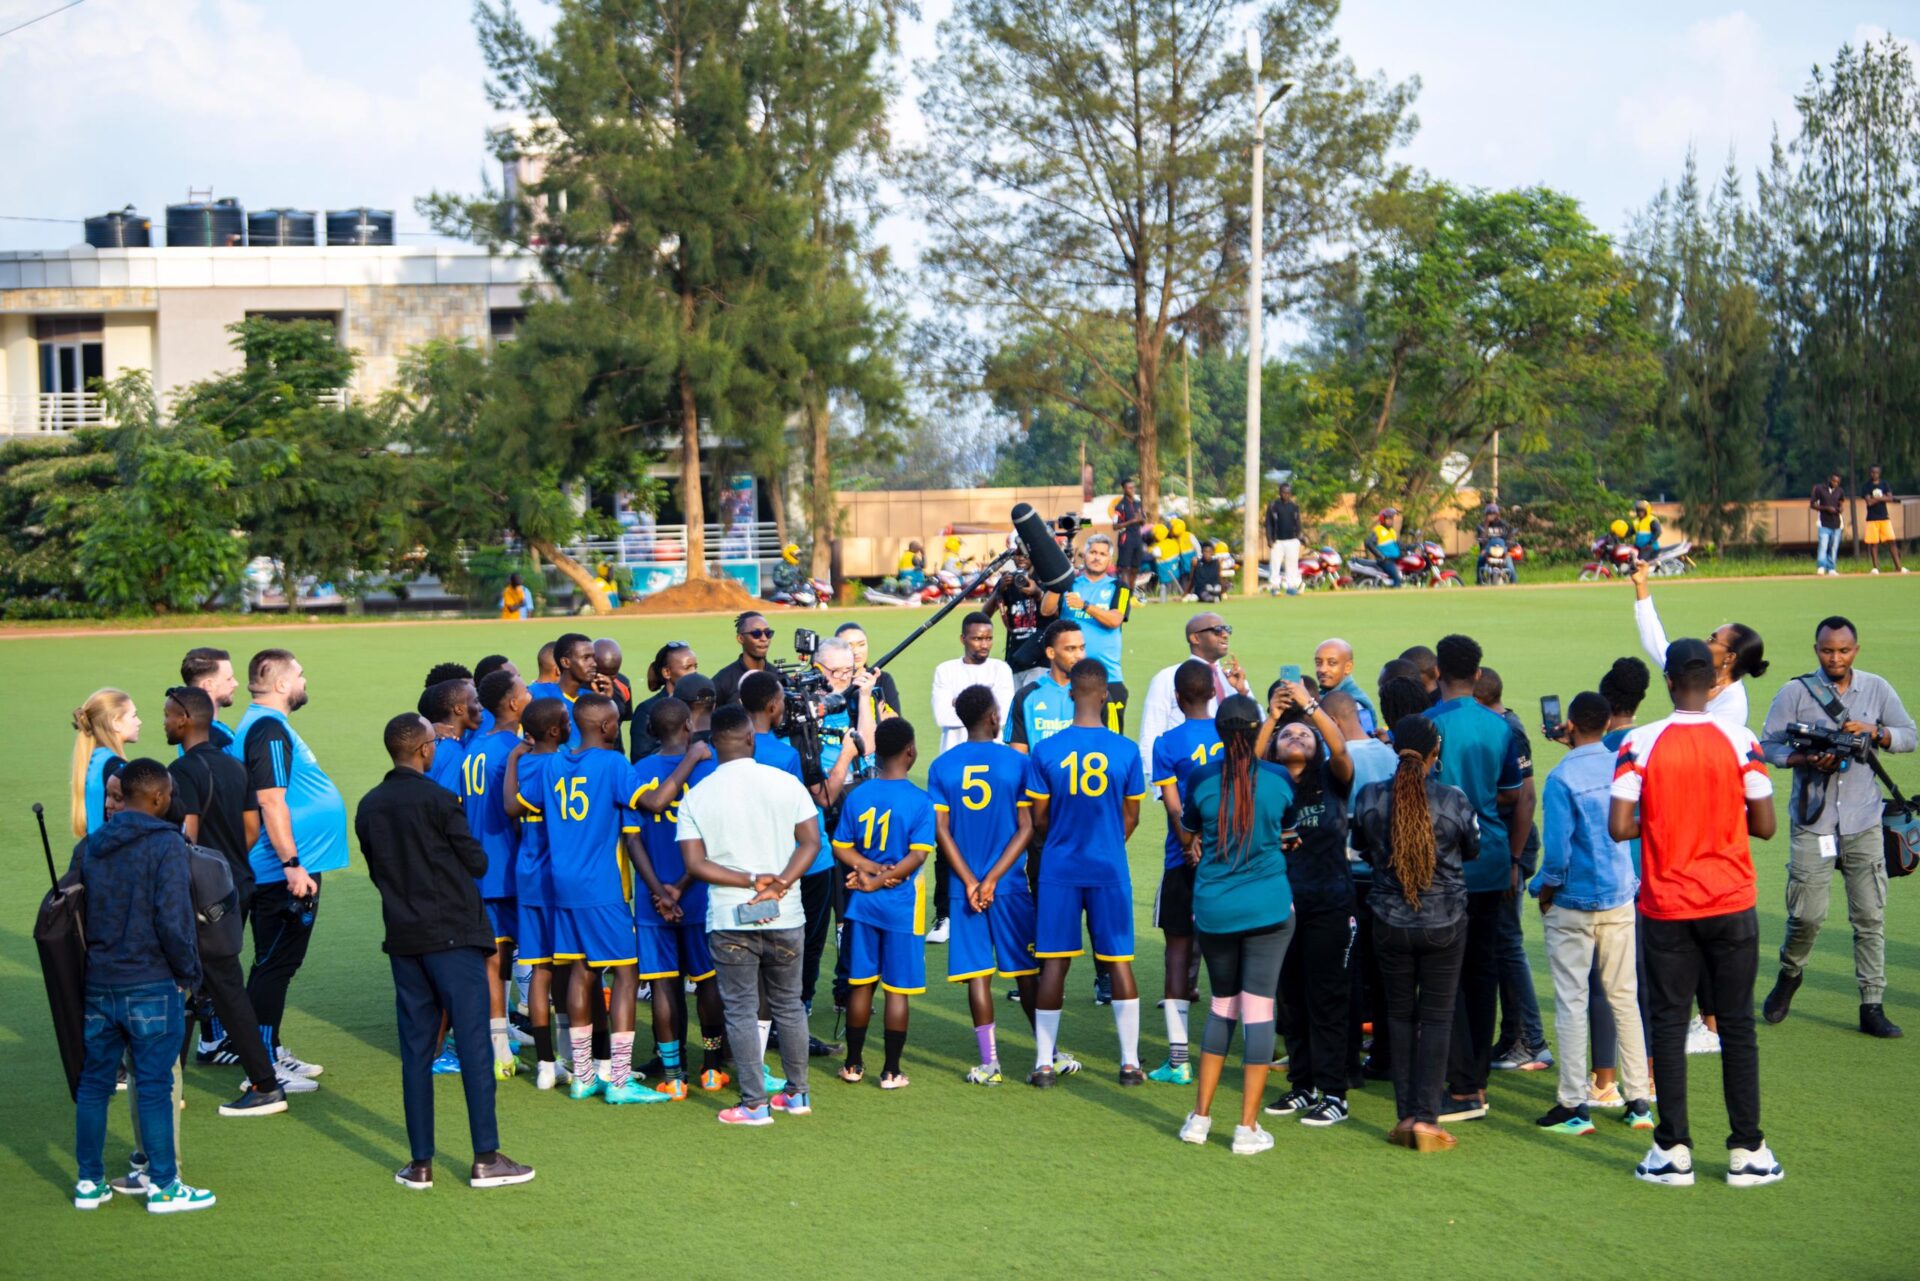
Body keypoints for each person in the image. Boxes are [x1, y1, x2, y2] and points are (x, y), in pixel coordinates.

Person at [1610, 637, 1781, 1188]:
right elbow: (1765, 824)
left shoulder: (1640, 741)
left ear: (1666, 681)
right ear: (1714, 680)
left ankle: (1673, 1149)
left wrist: (1660, 825)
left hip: (1666, 904)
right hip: (1731, 900)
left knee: (1666, 1024)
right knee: (1736, 1026)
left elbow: (1619, 827)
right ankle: (1747, 1150)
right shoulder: (1741, 740)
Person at [358, 715, 535, 1191]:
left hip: (404, 939)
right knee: (475, 1047)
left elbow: (379, 870)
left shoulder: (369, 805)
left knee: (416, 1052)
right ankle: (485, 1158)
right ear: (422, 750)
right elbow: (476, 860)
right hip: (454, 938)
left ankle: (419, 1164)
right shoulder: (440, 800)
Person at [1759, 616, 1915, 1038]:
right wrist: (1804, 759)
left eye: (1843, 650)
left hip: (1864, 821)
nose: (1835, 657)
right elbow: (1766, 745)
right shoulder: (1794, 693)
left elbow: (1909, 735)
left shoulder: (1877, 688)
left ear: (1855, 650)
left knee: (1870, 917)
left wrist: (1875, 732)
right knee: (1807, 916)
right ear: (1816, 650)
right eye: (1828, 650)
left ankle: (1872, 1005)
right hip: (1814, 822)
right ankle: (1790, 975)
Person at [70, 758, 214, 1213]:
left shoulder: (90, 846)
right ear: (157, 797)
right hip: (152, 983)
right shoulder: (167, 845)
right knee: (153, 1085)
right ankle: (165, 1186)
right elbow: (174, 921)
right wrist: (189, 974)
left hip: (99, 983)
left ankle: (89, 1183)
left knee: (93, 1085)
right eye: (168, 794)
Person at [676, 704, 823, 1125]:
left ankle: (754, 1105)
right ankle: (797, 1096)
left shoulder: (697, 795)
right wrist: (778, 883)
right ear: (750, 739)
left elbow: (695, 864)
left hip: (729, 919)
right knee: (789, 1005)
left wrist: (751, 880)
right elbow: (810, 843)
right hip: (786, 913)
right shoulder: (785, 782)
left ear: (712, 744)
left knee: (740, 1010)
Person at [505, 693, 655, 1104]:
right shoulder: (613, 764)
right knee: (626, 972)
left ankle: (583, 1075)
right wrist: (693, 759)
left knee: (581, 971)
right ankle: (620, 1080)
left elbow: (517, 804)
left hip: (559, 884)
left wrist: (517, 761)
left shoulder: (553, 764)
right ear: (608, 727)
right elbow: (655, 801)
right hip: (599, 887)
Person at [1173, 696, 1297, 1155]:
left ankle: (1200, 1119)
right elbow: (1286, 836)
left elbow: (1189, 832)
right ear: (1258, 727)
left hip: (1215, 909)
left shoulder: (1202, 778)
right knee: (1259, 1009)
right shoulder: (1279, 779)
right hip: (1268, 908)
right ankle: (1247, 1127)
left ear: (1220, 733)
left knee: (1223, 1005)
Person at [1352, 715, 1478, 1152]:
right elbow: (1472, 847)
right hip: (1444, 923)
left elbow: (1362, 845)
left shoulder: (1370, 797)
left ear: (1394, 748)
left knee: (1400, 1018)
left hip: (1390, 922)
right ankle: (1426, 1117)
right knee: (1437, 1019)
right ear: (1434, 754)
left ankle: (1407, 1115)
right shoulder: (1452, 798)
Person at [1530, 692, 1653, 1137]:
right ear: (1608, 722)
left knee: (1572, 1002)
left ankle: (1574, 1105)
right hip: (1621, 897)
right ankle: (1639, 1101)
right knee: (1625, 998)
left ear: (1568, 724)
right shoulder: (1623, 766)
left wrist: (1543, 889)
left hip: (1573, 903)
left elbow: (1559, 854)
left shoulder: (1562, 778)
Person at [1024, 659, 1148, 1087]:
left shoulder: (1046, 751)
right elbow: (1131, 816)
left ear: (1071, 693)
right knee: (1118, 961)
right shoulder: (1126, 750)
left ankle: (1043, 1064)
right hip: (1108, 866)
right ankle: (1130, 1064)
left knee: (1054, 963)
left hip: (1059, 867)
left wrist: (1060, 837)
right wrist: (1109, 841)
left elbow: (1039, 818)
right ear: (1106, 695)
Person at [229, 649, 345, 1084]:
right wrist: (293, 863)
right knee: (275, 964)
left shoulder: (268, 726)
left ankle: (269, 1049)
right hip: (283, 872)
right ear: (280, 684)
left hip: (287, 867)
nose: (304, 679)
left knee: (275, 963)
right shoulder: (268, 729)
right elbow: (270, 799)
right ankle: (263, 1067)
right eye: (299, 673)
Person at [163, 687, 281, 1109]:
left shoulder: (183, 771)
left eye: (168, 716)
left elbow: (185, 837)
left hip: (199, 899)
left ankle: (265, 1085)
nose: (164, 723)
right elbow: (251, 830)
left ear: (185, 720)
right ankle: (167, 1083)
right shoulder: (234, 767)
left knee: (221, 989)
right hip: (235, 887)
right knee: (201, 986)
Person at [1425, 635, 1525, 1124]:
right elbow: (1513, 795)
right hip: (1489, 859)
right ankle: (1476, 1079)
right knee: (1482, 972)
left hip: (1444, 865)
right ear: (1479, 674)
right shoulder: (1500, 726)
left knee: (1448, 976)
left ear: (1438, 673)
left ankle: (1462, 1088)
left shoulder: (1428, 726)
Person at [1257, 681, 1356, 1126]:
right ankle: (1302, 1086)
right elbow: (1250, 758)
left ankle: (1335, 1092)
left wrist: (1309, 707)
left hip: (1331, 903)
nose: (1297, 737)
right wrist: (1274, 717)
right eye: (1288, 735)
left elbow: (1338, 746)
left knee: (1327, 998)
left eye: (1305, 735)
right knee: (1291, 998)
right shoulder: (1269, 783)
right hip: (1282, 906)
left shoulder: (1331, 779)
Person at [931, 685, 1038, 1085]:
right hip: (1008, 885)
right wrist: (993, 878)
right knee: (1027, 972)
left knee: (978, 975)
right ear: (994, 718)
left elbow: (942, 832)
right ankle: (1046, 1054)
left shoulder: (943, 766)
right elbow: (1027, 827)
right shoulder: (1017, 763)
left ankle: (990, 1064)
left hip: (964, 890)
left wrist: (973, 881)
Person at [624, 700, 723, 1098]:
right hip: (699, 892)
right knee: (707, 981)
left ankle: (674, 1076)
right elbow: (714, 841)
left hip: (653, 899)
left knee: (664, 985)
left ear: (649, 728)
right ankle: (713, 1069)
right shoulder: (709, 768)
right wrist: (682, 886)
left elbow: (631, 839)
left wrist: (659, 891)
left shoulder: (637, 772)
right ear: (687, 725)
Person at [831, 719, 937, 1087]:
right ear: (910, 752)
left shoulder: (859, 794)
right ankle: (891, 1070)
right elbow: (917, 857)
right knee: (896, 989)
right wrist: (880, 878)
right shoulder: (921, 800)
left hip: (861, 904)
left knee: (861, 983)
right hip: (902, 906)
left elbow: (841, 846)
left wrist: (866, 869)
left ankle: (853, 1065)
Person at [1145, 660, 1224, 1086]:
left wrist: (1188, 843)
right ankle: (1235, 1050)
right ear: (1213, 692)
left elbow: (1174, 805)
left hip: (1182, 862)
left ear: (1177, 697)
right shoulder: (1231, 738)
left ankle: (1178, 1060)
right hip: (1227, 861)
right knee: (1234, 953)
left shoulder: (1166, 742)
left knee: (1177, 952)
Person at [1474, 668, 1549, 1075]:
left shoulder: (1508, 729)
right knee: (1500, 944)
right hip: (1504, 847)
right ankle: (1514, 1035)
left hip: (1510, 849)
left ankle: (1531, 1041)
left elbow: (1526, 797)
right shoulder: (1505, 723)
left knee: (1507, 943)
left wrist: (1514, 862)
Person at [469, 670, 533, 1078]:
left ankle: (500, 1046)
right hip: (508, 870)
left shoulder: (476, 747)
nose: (529, 694)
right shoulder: (516, 751)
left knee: (499, 960)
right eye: (524, 690)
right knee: (504, 962)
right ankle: (505, 1053)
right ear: (512, 703)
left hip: (480, 869)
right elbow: (518, 814)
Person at [509, 698, 571, 1090]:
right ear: (554, 730)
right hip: (557, 877)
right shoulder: (559, 766)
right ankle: (568, 1058)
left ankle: (547, 1064)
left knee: (538, 971)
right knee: (565, 969)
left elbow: (512, 811)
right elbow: (512, 806)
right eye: (566, 720)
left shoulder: (525, 763)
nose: (570, 724)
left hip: (527, 873)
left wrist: (515, 760)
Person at [1630, 562, 1767, 733]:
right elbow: (1654, 642)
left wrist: (1695, 705)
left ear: (1730, 657)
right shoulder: (1694, 668)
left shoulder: (1733, 704)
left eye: (1712, 640)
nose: (1704, 642)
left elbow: (1703, 744)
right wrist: (1641, 585)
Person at [1136, 613, 1250, 773]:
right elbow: (1150, 736)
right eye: (1217, 630)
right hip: (1186, 780)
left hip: (1231, 777)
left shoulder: (1233, 678)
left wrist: (1243, 692)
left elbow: (1257, 725)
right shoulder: (1167, 678)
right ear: (1195, 638)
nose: (1225, 635)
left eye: (1226, 629)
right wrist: (1162, 790)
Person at [1045, 534, 1128, 731]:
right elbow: (1046, 611)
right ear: (1084, 555)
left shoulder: (1118, 587)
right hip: (1069, 677)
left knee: (1112, 740)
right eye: (1092, 552)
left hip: (1109, 677)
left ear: (1109, 559)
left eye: (1102, 554)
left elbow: (1114, 620)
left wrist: (1084, 606)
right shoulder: (1070, 584)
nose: (1097, 557)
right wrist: (1058, 580)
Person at [929, 612, 1015, 756]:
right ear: (963, 639)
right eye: (977, 639)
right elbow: (942, 716)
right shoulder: (945, 670)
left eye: (989, 639)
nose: (984, 645)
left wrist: (960, 704)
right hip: (954, 755)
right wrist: (987, 708)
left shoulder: (1001, 669)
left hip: (991, 756)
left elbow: (1003, 714)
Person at [1006, 621, 1083, 754]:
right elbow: (1018, 757)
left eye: (1082, 648)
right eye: (1071, 649)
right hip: (1039, 775)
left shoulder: (1096, 694)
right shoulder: (1025, 696)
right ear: (1051, 653)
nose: (1079, 655)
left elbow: (1109, 747)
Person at [71, 688, 138, 838]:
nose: (139, 722)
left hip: (92, 852)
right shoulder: (116, 767)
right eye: (134, 716)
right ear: (116, 723)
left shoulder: (91, 759)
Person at [629, 641, 698, 762]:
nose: (694, 673)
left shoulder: (699, 704)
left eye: (695, 667)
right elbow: (640, 758)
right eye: (687, 667)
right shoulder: (647, 710)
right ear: (667, 672)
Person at [526, 632, 597, 748]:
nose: (593, 664)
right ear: (565, 662)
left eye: (593, 657)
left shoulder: (591, 699)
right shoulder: (537, 693)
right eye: (586, 658)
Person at [992, 545, 1049, 689]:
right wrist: (999, 591)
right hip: (1015, 657)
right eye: (1017, 554)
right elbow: (984, 614)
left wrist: (1037, 593)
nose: (1022, 557)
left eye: (1026, 554)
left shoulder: (1044, 579)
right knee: (1016, 705)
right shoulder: (1008, 581)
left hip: (1040, 657)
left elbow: (1052, 613)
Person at [422, 678, 480, 799]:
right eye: (476, 701)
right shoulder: (454, 752)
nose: (481, 708)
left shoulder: (429, 744)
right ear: (459, 709)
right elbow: (447, 805)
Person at [834, 623, 903, 718]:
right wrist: (875, 716)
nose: (856, 652)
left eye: (861, 644)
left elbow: (895, 722)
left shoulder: (882, 679)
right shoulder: (830, 681)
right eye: (849, 646)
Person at [1313, 638, 1379, 737]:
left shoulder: (1357, 704)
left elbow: (1366, 742)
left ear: (1348, 667)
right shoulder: (1323, 694)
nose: (1323, 669)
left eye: (1332, 663)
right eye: (1318, 663)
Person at [180, 647, 239, 749]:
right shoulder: (213, 737)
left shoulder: (189, 728)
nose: (235, 683)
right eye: (229, 679)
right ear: (208, 685)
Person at [714, 613, 776, 707]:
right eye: (756, 634)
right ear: (740, 638)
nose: (764, 639)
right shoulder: (722, 681)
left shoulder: (779, 676)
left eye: (768, 633)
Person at [1862, 464, 1907, 574]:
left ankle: (1898, 567)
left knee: (1891, 541)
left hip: (1884, 517)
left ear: (1879, 473)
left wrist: (1877, 498)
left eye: (1876, 472)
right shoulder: (1866, 486)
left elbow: (1890, 498)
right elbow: (1869, 502)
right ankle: (1876, 568)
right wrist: (1883, 498)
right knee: (1874, 543)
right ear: (1870, 473)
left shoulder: (1884, 484)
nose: (1874, 474)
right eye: (1872, 472)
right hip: (1872, 518)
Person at [594, 638, 633, 755]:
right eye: (600, 673)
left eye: (612, 674)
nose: (605, 679)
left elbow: (624, 716)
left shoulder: (623, 684)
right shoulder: (579, 688)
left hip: (615, 753)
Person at [1264, 482, 1303, 596]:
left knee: (1292, 565)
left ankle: (1291, 587)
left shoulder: (1294, 507)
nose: (1286, 495)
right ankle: (1275, 587)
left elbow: (1298, 523)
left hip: (1292, 540)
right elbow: (1268, 524)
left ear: (1290, 494)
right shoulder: (1273, 506)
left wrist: (1299, 537)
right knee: (1275, 565)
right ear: (1280, 493)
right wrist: (1269, 539)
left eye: (1288, 493)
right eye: (1283, 492)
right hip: (1277, 541)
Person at [1810, 473, 1845, 575]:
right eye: (1834, 481)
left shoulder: (1840, 491)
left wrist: (1840, 509)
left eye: (1838, 482)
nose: (1835, 483)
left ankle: (1831, 568)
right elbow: (1812, 504)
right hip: (1824, 522)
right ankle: (1821, 566)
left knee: (1833, 547)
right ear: (1830, 479)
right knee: (1823, 545)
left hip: (1837, 523)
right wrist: (1826, 508)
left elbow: (1841, 503)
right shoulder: (1819, 489)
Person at [1475, 503, 1516, 584]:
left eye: (1493, 513)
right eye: (1489, 514)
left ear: (1497, 514)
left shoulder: (1504, 525)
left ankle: (1514, 583)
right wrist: (1483, 550)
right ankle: (1479, 581)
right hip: (1488, 551)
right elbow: (1481, 539)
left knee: (1510, 567)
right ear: (1486, 515)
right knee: (1480, 561)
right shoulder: (1482, 526)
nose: (1491, 515)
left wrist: (1508, 548)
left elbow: (1509, 537)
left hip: (1502, 551)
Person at [1367, 508, 1404, 588]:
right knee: (1397, 578)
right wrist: (1380, 556)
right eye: (1388, 518)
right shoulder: (1378, 530)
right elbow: (1368, 543)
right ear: (1383, 519)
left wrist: (1412, 546)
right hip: (1386, 561)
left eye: (1392, 518)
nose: (1391, 521)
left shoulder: (1392, 532)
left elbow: (1399, 545)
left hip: (1395, 559)